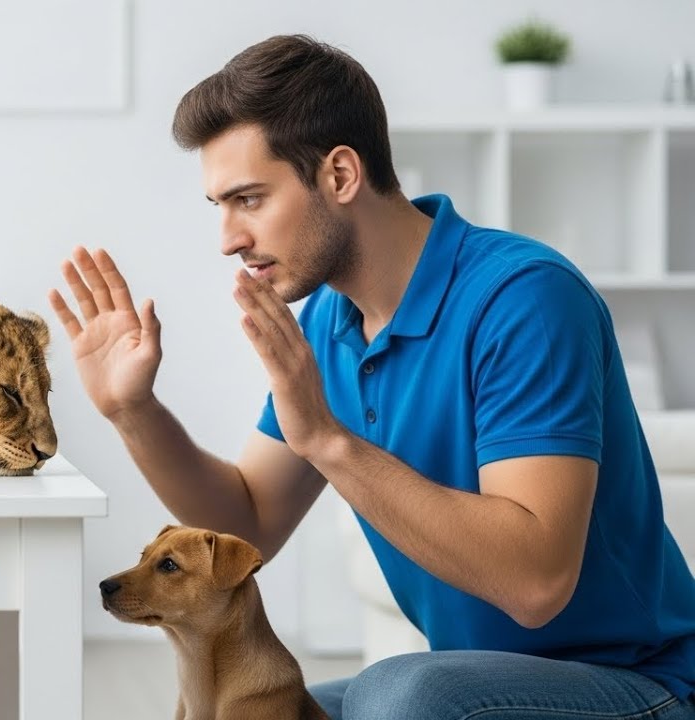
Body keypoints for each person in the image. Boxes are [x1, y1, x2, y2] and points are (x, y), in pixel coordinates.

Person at [50, 35, 695, 720]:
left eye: (249, 199)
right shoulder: (331, 322)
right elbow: (248, 527)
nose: (229, 239)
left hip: (636, 686)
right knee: (248, 707)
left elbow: (535, 582)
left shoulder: (524, 299)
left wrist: (328, 440)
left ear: (340, 175)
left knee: (401, 693)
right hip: (467, 690)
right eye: (220, 206)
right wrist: (134, 410)